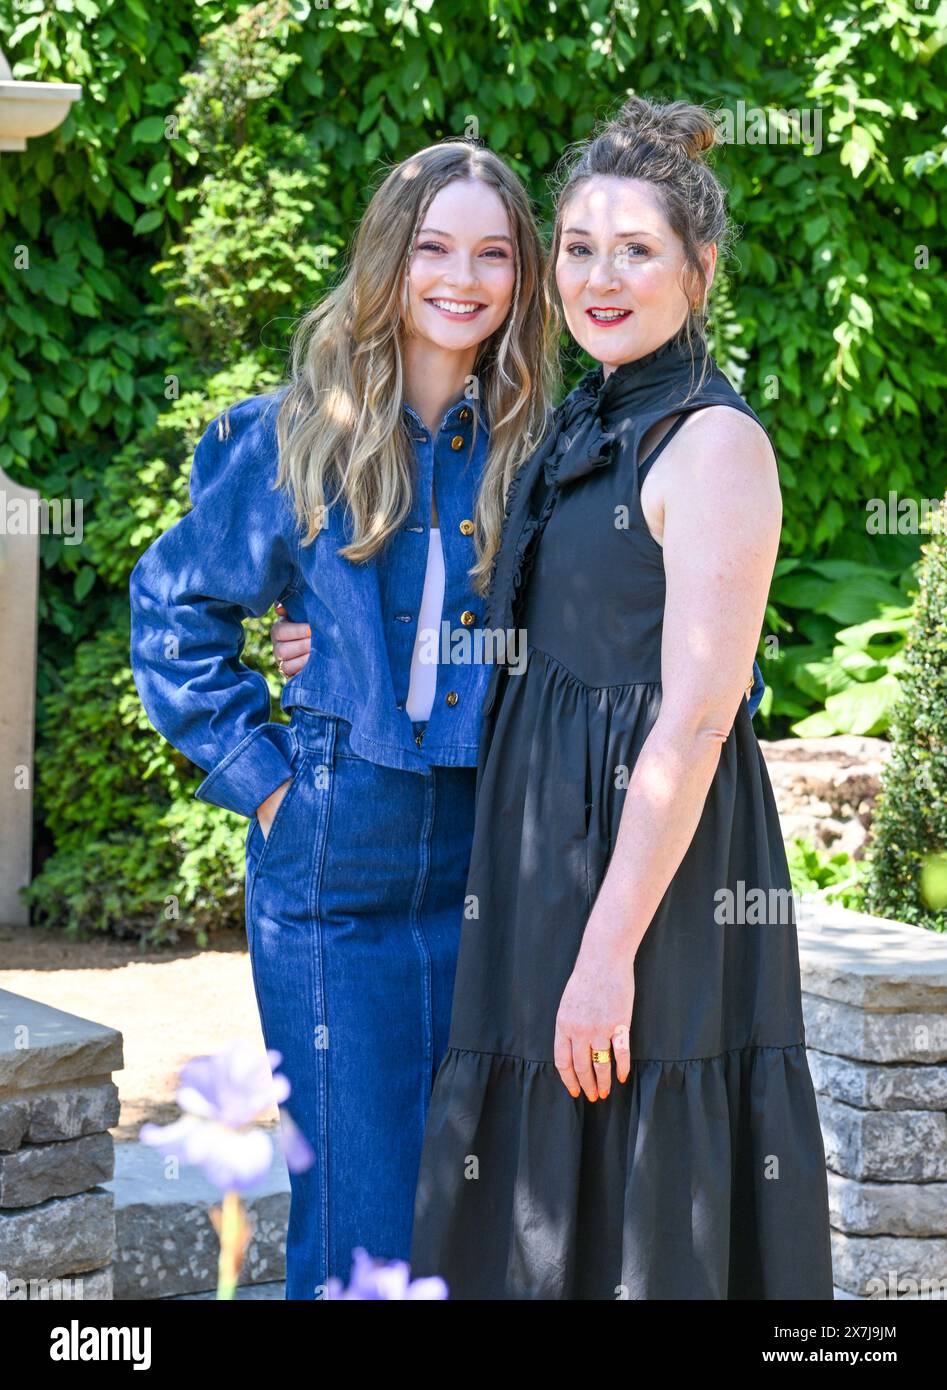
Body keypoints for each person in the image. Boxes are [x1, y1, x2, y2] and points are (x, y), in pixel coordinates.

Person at [402, 97, 835, 1300]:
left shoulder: (711, 445)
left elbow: (696, 718)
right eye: (579, 248)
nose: (598, 277)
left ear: (697, 268)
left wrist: (604, 952)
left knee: (639, 1174)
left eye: (634, 250)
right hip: (544, 861)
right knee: (538, 1181)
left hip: (649, 888)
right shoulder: (575, 414)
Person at [128, 139, 554, 1299]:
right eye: (431, 247)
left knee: (487, 1202)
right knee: (362, 1203)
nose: (459, 278)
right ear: (388, 258)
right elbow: (173, 611)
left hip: (490, 852)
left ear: (521, 277)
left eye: (491, 252)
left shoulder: (543, 446)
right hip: (333, 850)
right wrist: (267, 773)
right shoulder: (290, 433)